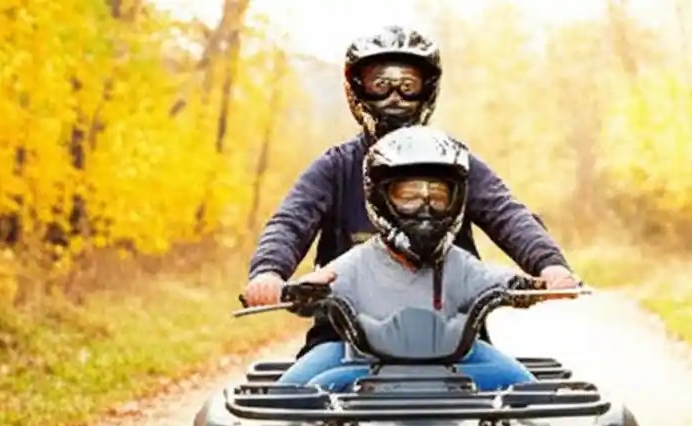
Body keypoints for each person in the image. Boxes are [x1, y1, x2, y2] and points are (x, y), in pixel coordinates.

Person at [241, 25, 579, 383]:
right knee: (290, 402)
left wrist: (549, 266)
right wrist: (269, 273)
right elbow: (290, 222)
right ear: (358, 88)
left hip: (452, 335)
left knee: (524, 401)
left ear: (427, 88)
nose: (395, 97)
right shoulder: (336, 166)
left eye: (407, 84)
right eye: (380, 83)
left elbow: (506, 213)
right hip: (346, 337)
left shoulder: (453, 162)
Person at [279, 125, 542, 393]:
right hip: (360, 360)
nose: (424, 207)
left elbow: (491, 277)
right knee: (287, 394)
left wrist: (525, 285)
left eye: (438, 196)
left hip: (461, 359)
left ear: (456, 199)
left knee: (532, 392)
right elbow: (316, 281)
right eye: (408, 196)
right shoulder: (356, 262)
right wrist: (303, 290)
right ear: (380, 197)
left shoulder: (458, 262)